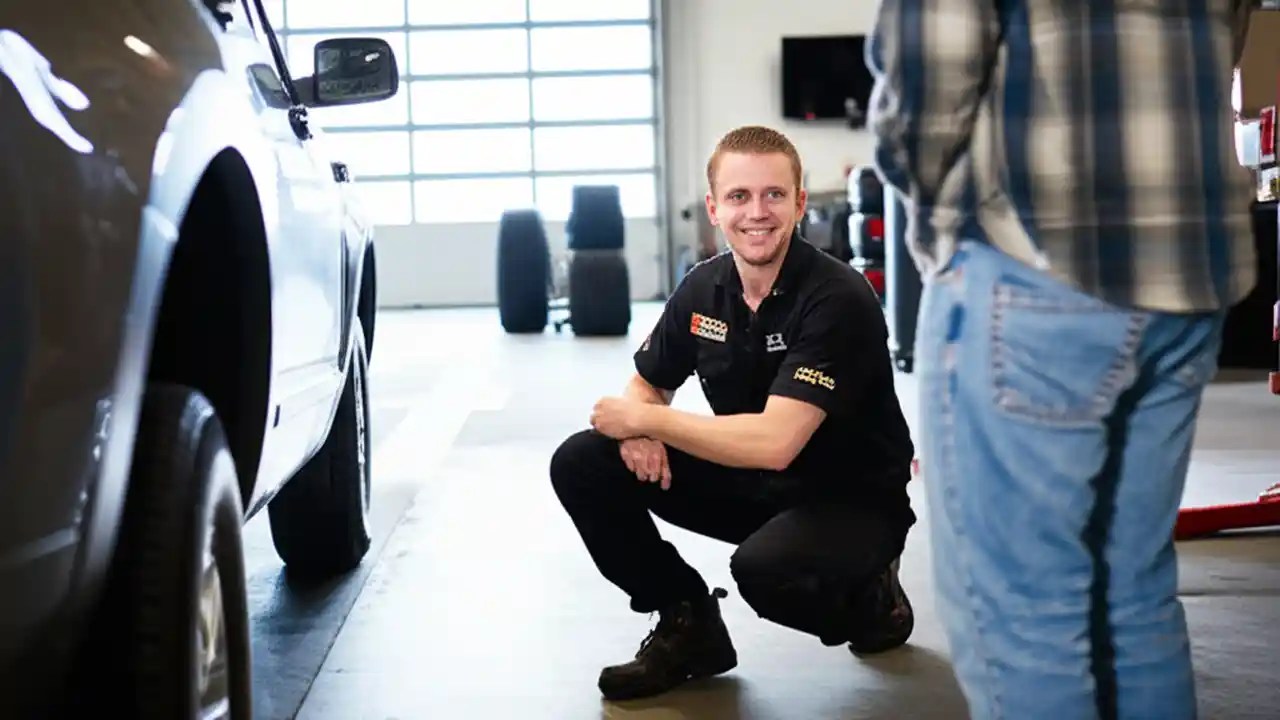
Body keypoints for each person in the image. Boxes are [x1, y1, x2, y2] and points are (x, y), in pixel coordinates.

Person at [866, 2, 1260, 718]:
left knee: (1022, 614)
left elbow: (932, 59)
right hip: (1190, 258)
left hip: (1037, 259)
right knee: (1133, 598)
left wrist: (947, 228)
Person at [549, 125, 918, 701]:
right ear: (714, 209)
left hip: (848, 500)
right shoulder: (704, 289)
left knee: (767, 574)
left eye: (774, 195)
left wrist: (649, 422)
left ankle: (874, 601)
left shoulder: (836, 298)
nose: (757, 213)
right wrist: (640, 421)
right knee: (584, 461)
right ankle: (687, 622)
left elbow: (776, 442)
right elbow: (647, 382)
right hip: (757, 486)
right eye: (739, 197)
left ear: (800, 203)